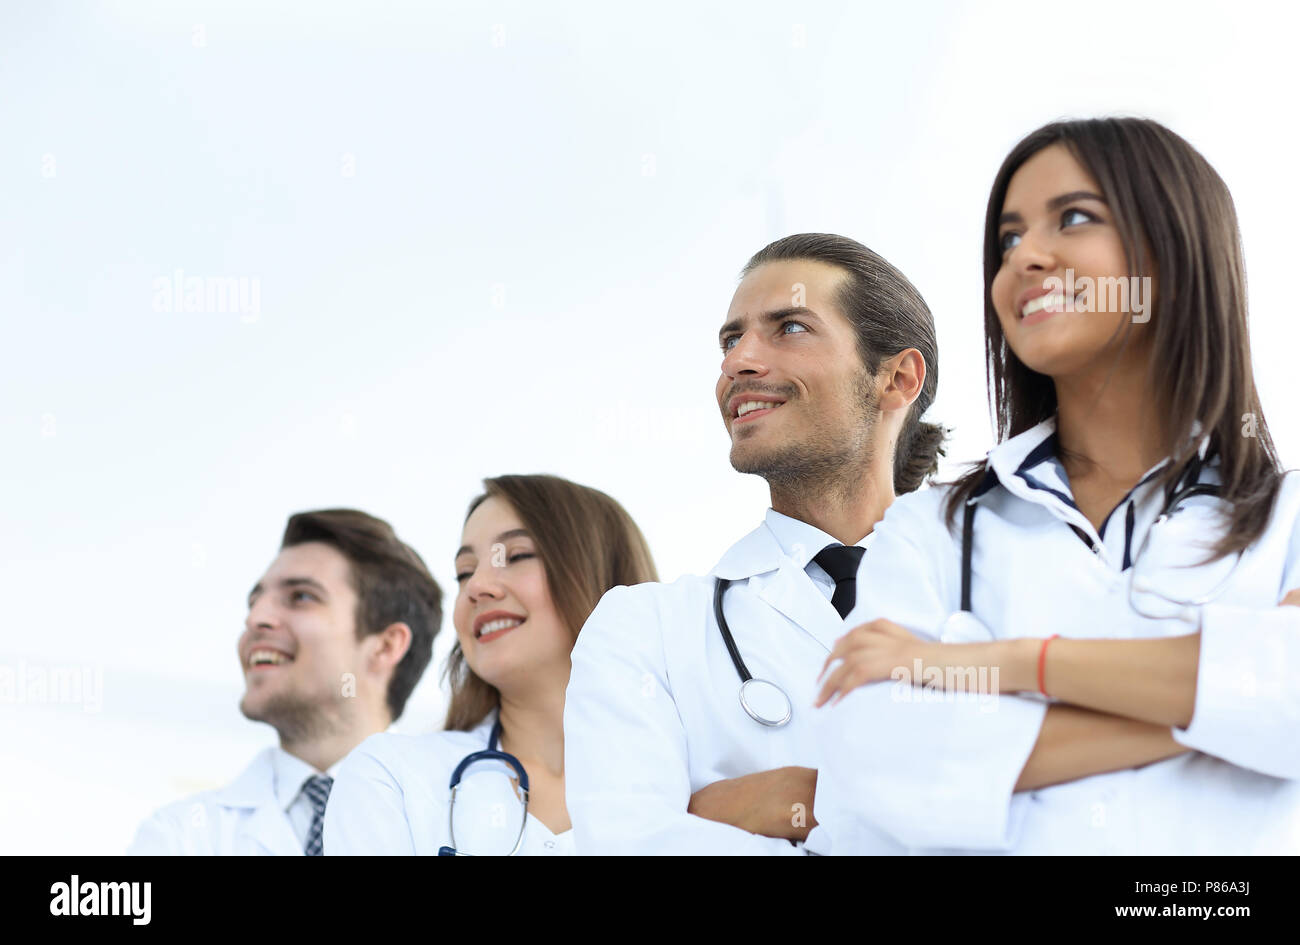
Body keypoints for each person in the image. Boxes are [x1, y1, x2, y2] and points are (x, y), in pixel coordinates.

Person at [811, 117, 1300, 855]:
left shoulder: (1287, 516)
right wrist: (1228, 703)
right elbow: (869, 768)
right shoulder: (930, 530)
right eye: (1008, 240)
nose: (1025, 259)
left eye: (1073, 218)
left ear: (1175, 252)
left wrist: (1000, 664)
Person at [564, 233, 944, 854]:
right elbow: (627, 844)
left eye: (789, 328)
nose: (738, 362)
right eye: (731, 340)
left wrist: (782, 802)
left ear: (896, 377)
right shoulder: (642, 630)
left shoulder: (1002, 594)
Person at [323, 474, 657, 856]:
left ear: (603, 575)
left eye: (515, 556)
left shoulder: (702, 771)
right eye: (464, 572)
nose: (476, 586)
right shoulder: (391, 777)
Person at [128, 509, 441, 855]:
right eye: (255, 601)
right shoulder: (179, 838)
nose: (255, 618)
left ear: (385, 646)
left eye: (301, 597)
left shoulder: (458, 826)